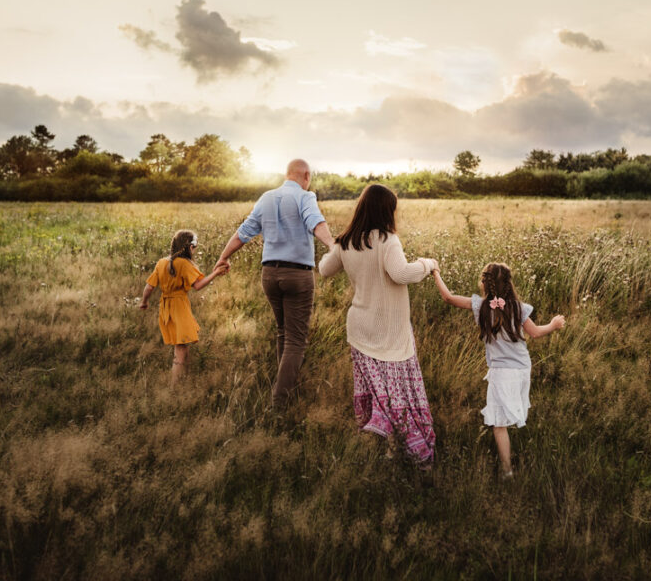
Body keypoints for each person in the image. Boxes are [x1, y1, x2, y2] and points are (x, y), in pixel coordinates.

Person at [317, 184, 439, 464]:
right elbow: (400, 273)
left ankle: (378, 439)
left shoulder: (347, 241)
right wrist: (427, 263)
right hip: (390, 333)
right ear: (386, 211)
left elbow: (324, 270)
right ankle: (409, 449)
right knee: (399, 391)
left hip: (360, 329)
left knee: (377, 391)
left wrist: (335, 246)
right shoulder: (387, 240)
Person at [215, 159, 335, 408]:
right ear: (306, 176)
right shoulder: (305, 196)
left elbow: (244, 232)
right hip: (297, 275)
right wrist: (334, 248)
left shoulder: (267, 198)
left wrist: (223, 257)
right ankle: (280, 403)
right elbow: (316, 223)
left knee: (284, 332)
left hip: (269, 274)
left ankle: (285, 386)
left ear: (286, 174)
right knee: (296, 340)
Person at [431, 262, 566, 477]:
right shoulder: (517, 308)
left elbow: (448, 297)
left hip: (502, 373)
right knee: (508, 413)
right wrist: (553, 324)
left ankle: (507, 470)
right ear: (509, 284)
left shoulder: (480, 306)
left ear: (484, 283)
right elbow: (536, 333)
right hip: (522, 369)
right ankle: (510, 460)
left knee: (498, 424)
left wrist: (435, 272)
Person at [139, 229, 228, 386]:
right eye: (195, 246)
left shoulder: (162, 263)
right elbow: (198, 285)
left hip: (165, 307)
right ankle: (176, 386)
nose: (195, 249)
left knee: (181, 345)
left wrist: (144, 302)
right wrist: (215, 273)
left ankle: (182, 380)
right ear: (188, 247)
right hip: (179, 307)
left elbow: (149, 287)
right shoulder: (184, 263)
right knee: (180, 347)